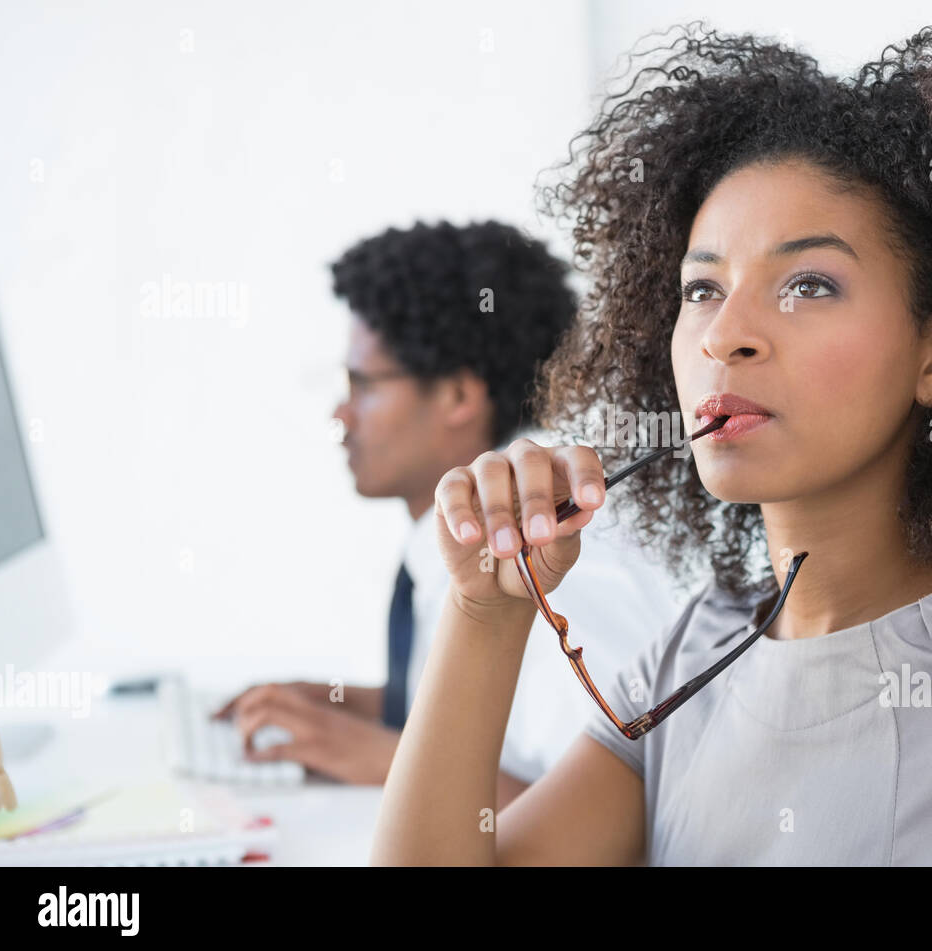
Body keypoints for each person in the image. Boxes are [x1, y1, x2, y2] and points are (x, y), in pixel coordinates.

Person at [369, 25, 932, 865]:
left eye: (808, 284)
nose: (727, 333)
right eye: (700, 290)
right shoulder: (690, 659)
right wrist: (486, 615)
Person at [215, 220, 680, 803]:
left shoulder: (551, 558)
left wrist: (379, 756)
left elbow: (616, 821)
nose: (341, 413)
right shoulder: (461, 542)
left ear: (459, 397)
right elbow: (499, 723)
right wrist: (360, 708)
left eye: (363, 384)